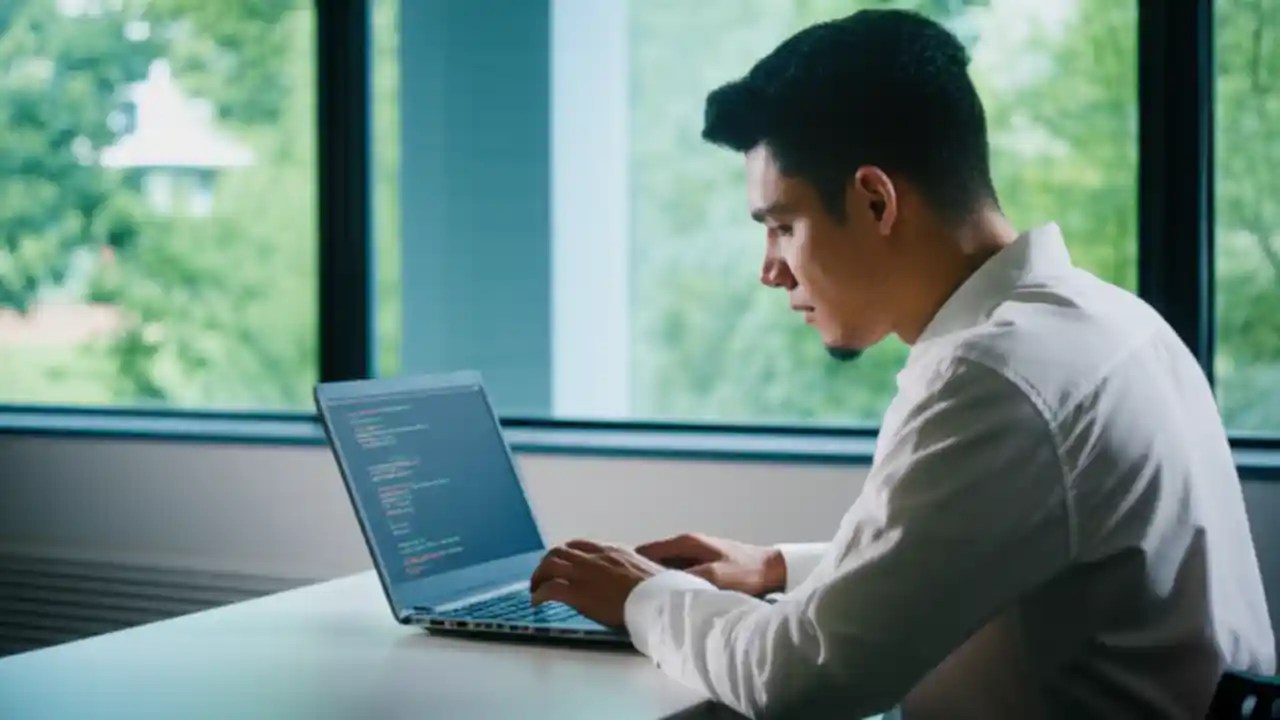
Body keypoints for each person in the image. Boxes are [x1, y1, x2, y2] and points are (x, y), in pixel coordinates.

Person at [529, 9, 1275, 718]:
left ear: (877, 201)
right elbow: (987, 553)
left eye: (783, 226)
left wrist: (639, 597)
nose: (772, 270)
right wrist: (780, 568)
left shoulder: (997, 376)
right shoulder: (1108, 322)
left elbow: (798, 680)